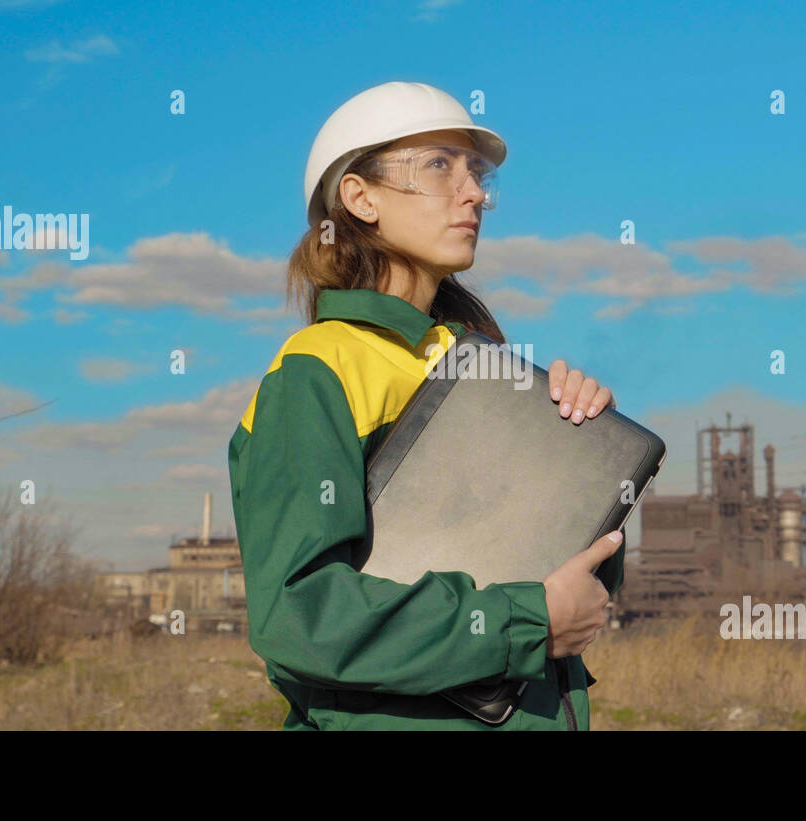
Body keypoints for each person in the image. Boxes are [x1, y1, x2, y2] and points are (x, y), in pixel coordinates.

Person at [227, 81, 626, 730]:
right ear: (360, 198)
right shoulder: (319, 370)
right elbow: (301, 614)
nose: (472, 193)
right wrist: (526, 620)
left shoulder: (484, 368)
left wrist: (589, 462)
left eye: (476, 173)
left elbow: (562, 585)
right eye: (439, 165)